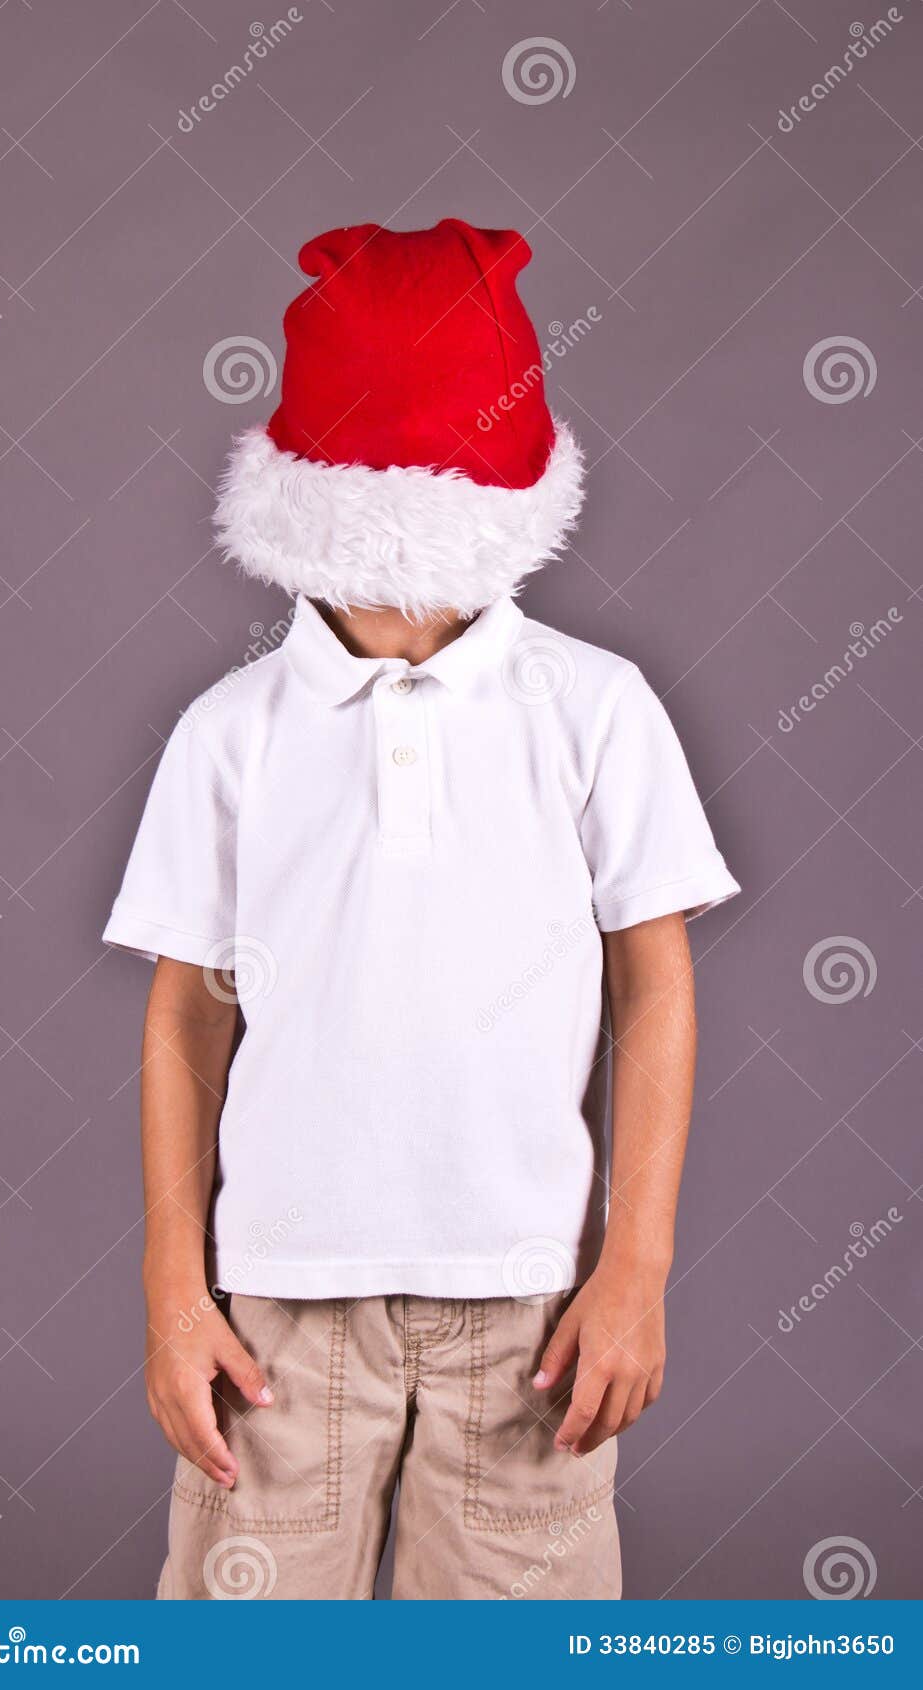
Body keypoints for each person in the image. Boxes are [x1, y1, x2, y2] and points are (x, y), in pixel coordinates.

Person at [103, 219, 739, 1600]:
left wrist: (636, 1259)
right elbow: (183, 1019)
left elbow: (658, 987)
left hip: (529, 1309)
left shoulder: (593, 710)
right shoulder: (233, 733)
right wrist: (174, 1286)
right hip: (275, 1304)